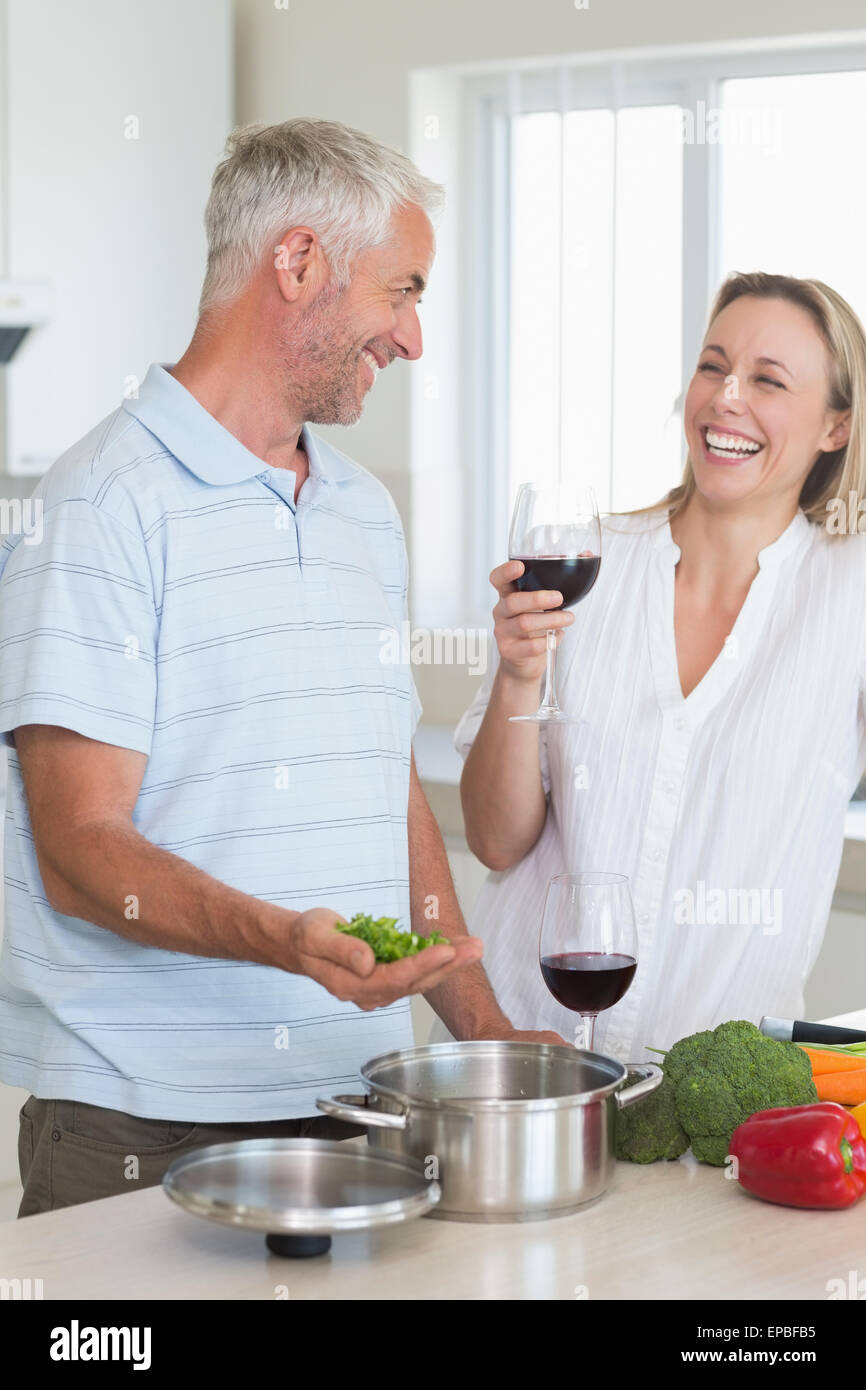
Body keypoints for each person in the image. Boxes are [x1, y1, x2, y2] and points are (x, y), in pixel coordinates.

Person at [0, 118, 559, 1217]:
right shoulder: (98, 504)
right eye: (400, 292)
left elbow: (379, 779)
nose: (410, 337)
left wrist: (483, 1033)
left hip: (353, 1105)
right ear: (297, 263)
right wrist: (287, 943)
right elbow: (81, 848)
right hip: (144, 1125)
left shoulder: (362, 509)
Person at [443, 271, 866, 1061]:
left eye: (768, 380)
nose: (726, 397)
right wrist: (519, 674)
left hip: (714, 1109)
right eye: (713, 365)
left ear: (836, 427)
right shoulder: (589, 567)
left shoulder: (850, 592)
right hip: (528, 1063)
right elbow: (496, 842)